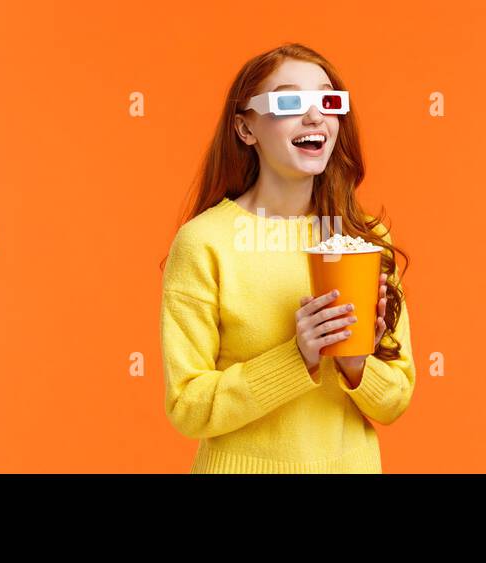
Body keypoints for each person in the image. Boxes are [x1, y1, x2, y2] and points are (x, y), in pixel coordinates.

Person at [159, 43, 414, 473]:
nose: (315, 116)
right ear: (246, 129)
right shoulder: (205, 242)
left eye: (328, 102)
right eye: (290, 101)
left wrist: (355, 366)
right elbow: (187, 406)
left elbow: (394, 401)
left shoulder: (363, 239)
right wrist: (297, 357)